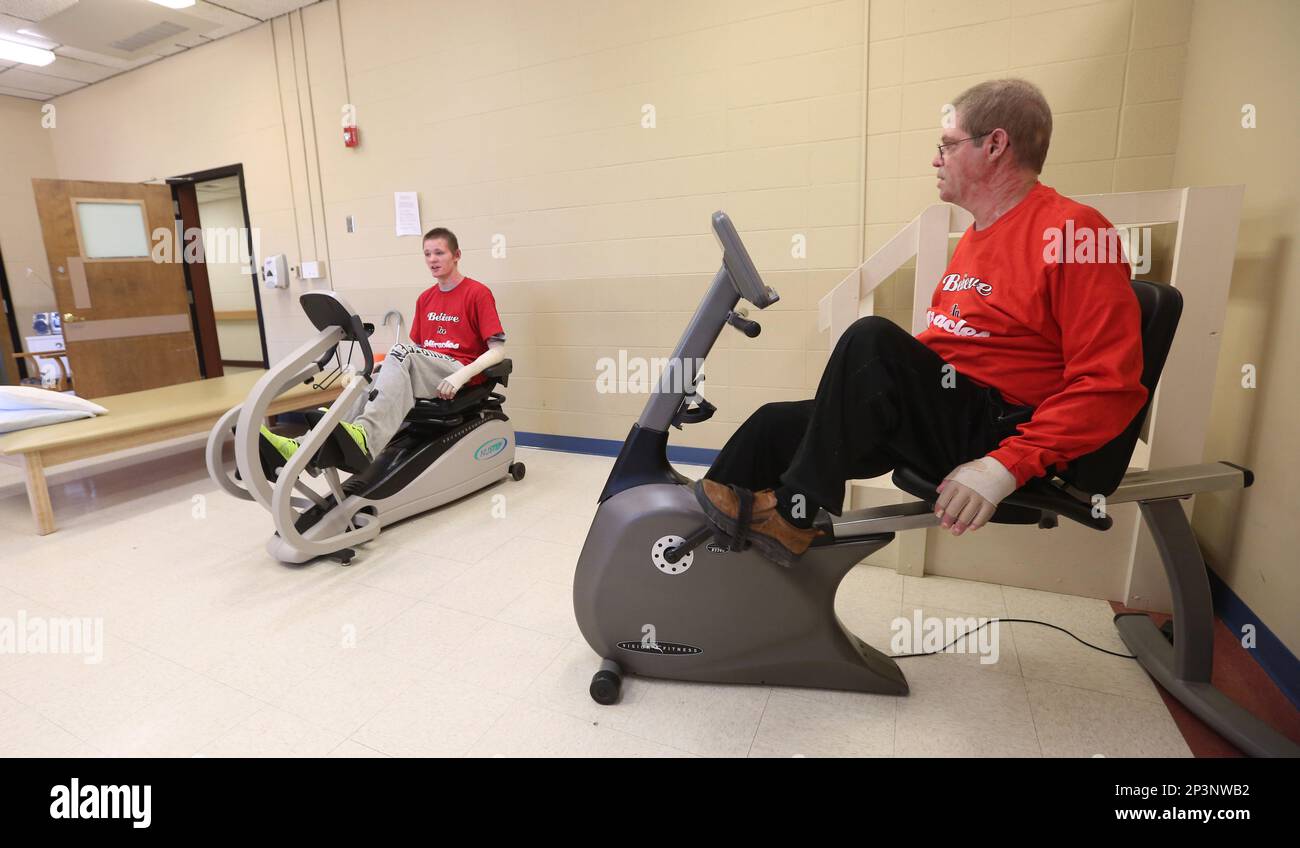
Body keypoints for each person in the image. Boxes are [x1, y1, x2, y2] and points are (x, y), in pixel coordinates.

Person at [696, 78, 1149, 568]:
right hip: (946, 415)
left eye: (947, 146)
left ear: (994, 145)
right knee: (772, 425)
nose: (936, 160)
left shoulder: (1075, 231)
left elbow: (1109, 387)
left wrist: (1004, 467)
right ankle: (706, 561)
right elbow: (949, 351)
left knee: (871, 339)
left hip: (999, 428)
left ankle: (791, 518)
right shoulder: (979, 235)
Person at [260, 227, 506, 469]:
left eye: (439, 253)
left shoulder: (477, 293)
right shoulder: (425, 298)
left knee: (399, 351)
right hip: (430, 368)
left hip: (457, 369)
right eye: (427, 254)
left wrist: (460, 375)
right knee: (371, 378)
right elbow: (419, 348)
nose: (432, 260)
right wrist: (387, 365)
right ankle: (304, 446)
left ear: (457, 255)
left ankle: (366, 437)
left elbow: (498, 351)